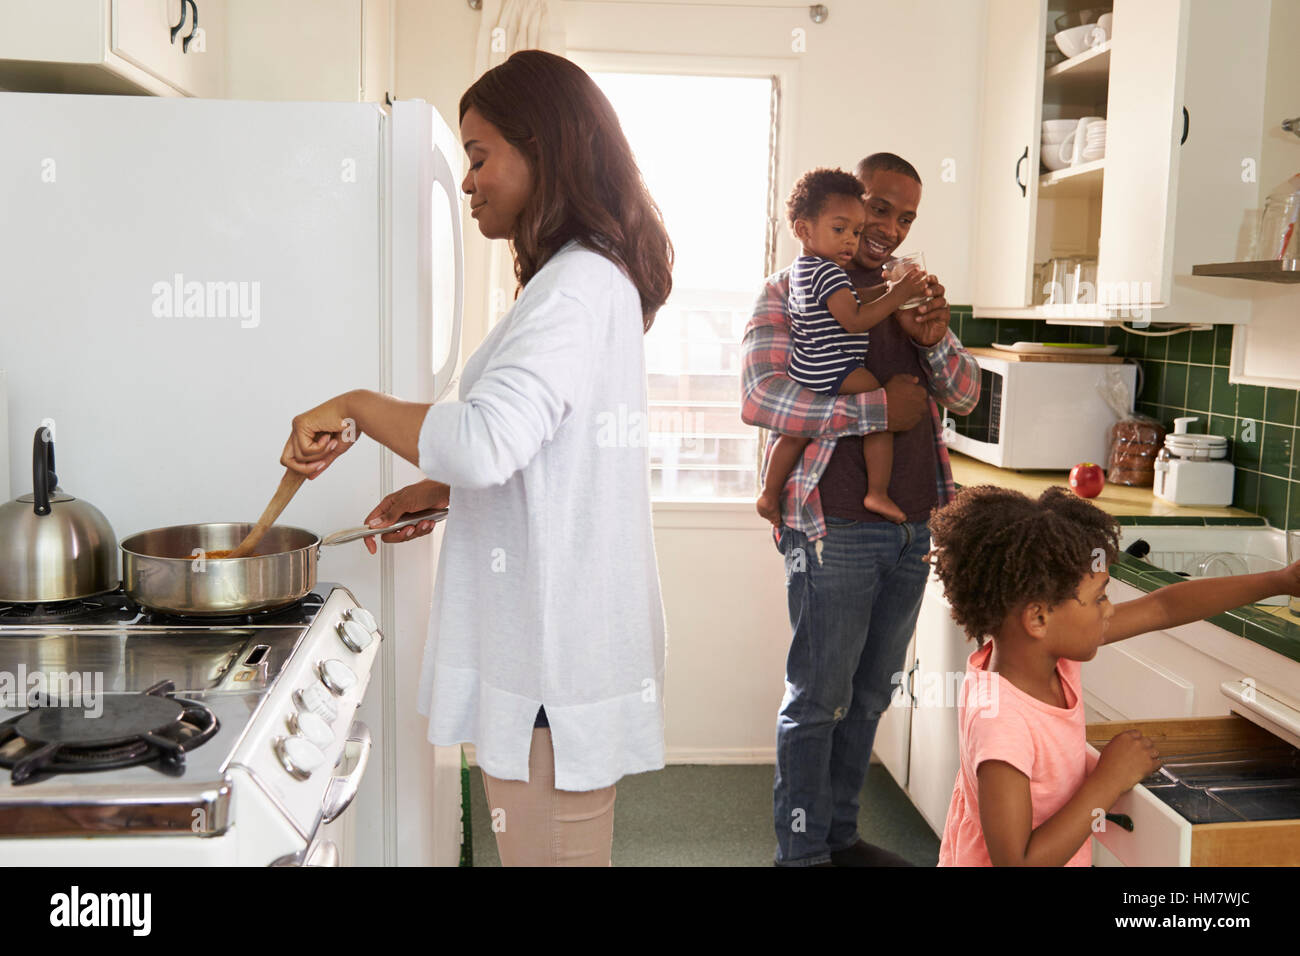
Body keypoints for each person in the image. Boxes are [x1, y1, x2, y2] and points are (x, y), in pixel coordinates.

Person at [276, 49, 673, 867]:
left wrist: (352, 405)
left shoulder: (575, 286)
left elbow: (489, 439)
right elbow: (544, 453)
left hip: (551, 659)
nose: (467, 182)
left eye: (480, 156)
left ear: (545, 150)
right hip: (554, 643)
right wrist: (445, 489)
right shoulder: (581, 280)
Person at [741, 152, 980, 867]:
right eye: (879, 208)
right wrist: (875, 407)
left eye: (905, 217)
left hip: (912, 528)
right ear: (847, 204)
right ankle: (803, 854)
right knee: (819, 699)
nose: (888, 229)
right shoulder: (788, 291)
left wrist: (934, 339)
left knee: (872, 694)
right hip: (832, 525)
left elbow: (966, 396)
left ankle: (840, 839)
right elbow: (761, 398)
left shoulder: (911, 294)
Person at [928, 484, 1300, 866]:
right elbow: (1018, 863)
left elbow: (1162, 608)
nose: (1108, 611)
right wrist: (1107, 782)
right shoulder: (1002, 721)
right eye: (1099, 598)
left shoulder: (1045, 655)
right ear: (1038, 618)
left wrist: (1280, 581)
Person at [755, 167, 929, 527]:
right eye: (840, 230)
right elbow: (854, 319)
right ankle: (877, 492)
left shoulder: (807, 269)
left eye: (855, 231)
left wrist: (887, 292)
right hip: (833, 363)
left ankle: (769, 494)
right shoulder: (830, 271)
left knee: (794, 434)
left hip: (808, 366)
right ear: (804, 229)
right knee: (879, 410)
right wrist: (896, 296)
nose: (850, 240)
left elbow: (849, 299)